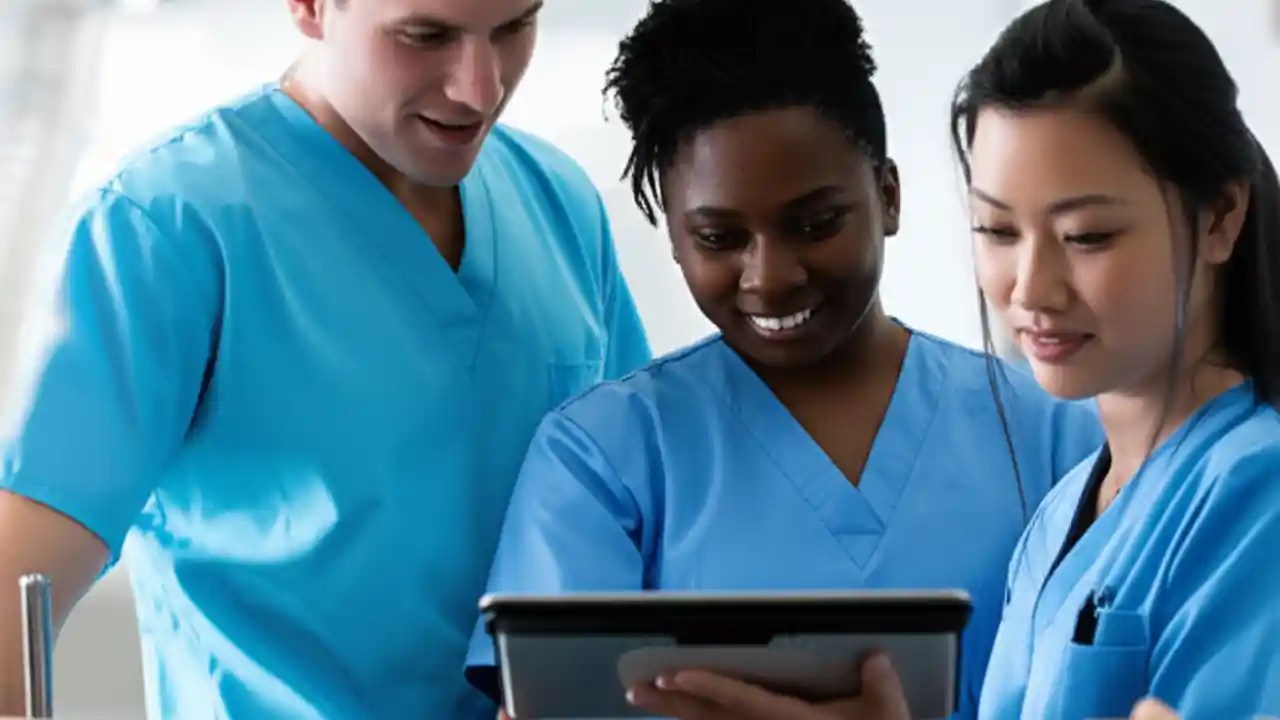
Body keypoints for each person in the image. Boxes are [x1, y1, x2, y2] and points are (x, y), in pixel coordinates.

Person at [626, 0, 1280, 718]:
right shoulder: (1061, 516)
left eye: (1087, 236)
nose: (1030, 289)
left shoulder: (1257, 490)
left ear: (1220, 217)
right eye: (997, 230)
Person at [0, 0, 651, 717]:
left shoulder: (559, 204)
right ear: (309, 6)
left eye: (514, 27)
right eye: (427, 35)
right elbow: (14, 592)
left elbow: (640, 526)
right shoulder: (164, 228)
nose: (480, 88)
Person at [464, 1, 1101, 718]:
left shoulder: (1057, 439)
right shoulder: (603, 459)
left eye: (816, 224)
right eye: (719, 239)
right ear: (673, 233)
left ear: (888, 196)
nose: (769, 277)